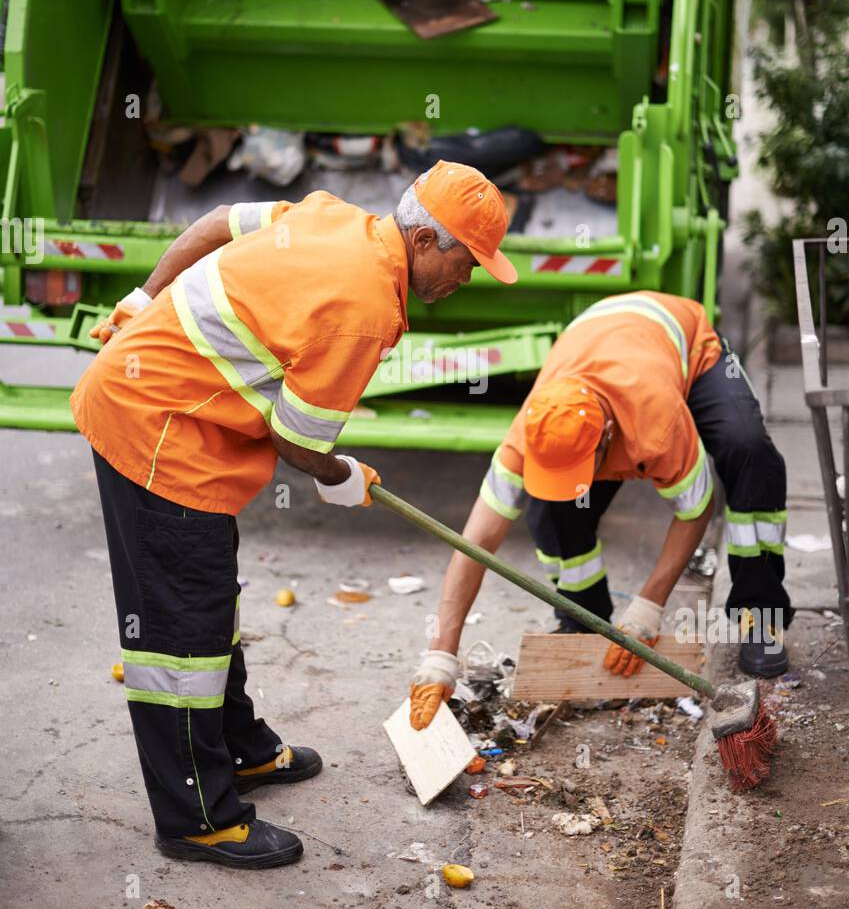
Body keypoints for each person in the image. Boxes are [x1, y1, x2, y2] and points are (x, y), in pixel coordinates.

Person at [71, 162, 517, 866]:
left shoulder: (332, 214)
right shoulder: (366, 308)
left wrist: (141, 297)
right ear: (427, 239)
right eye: (467, 261)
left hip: (165, 416)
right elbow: (296, 439)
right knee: (180, 634)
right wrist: (341, 478)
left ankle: (243, 750)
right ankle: (197, 818)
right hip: (156, 433)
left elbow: (216, 220)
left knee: (208, 602)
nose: (467, 278)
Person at [408, 290, 792, 731]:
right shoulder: (526, 434)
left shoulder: (657, 424)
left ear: (607, 438)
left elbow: (695, 509)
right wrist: (441, 654)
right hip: (597, 340)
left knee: (748, 449)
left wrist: (647, 610)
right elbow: (474, 543)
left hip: (688, 345)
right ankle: (585, 624)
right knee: (549, 511)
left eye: (577, 469)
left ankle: (759, 617)